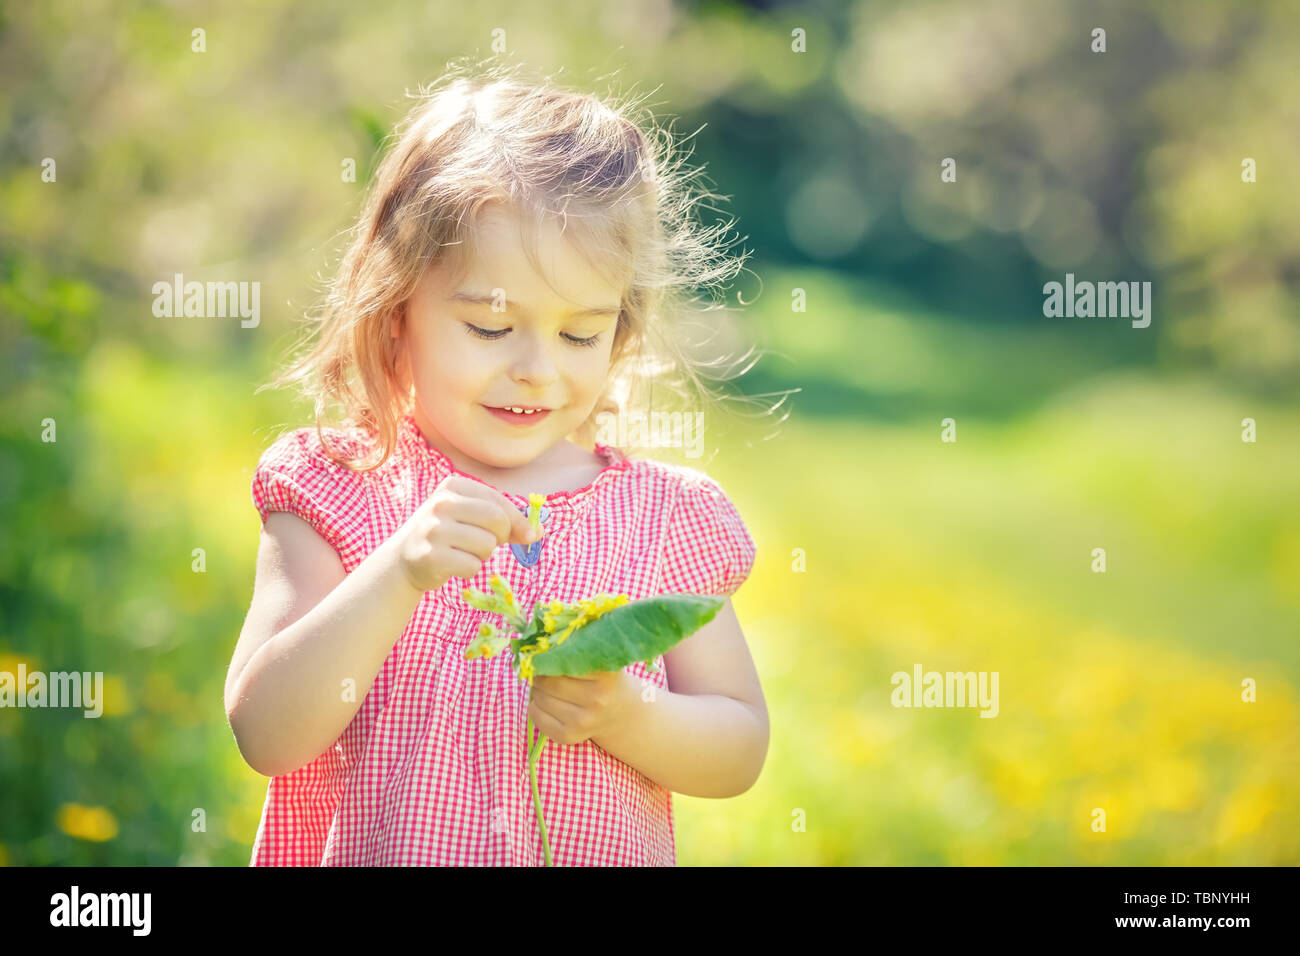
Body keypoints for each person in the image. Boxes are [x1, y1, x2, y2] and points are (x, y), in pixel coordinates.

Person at [224, 64, 767, 866]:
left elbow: (739, 744)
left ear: (619, 330)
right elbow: (265, 732)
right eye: (489, 327)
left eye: (580, 334)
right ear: (395, 309)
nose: (537, 369)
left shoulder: (665, 520)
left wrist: (629, 716)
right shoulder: (341, 487)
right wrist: (398, 572)